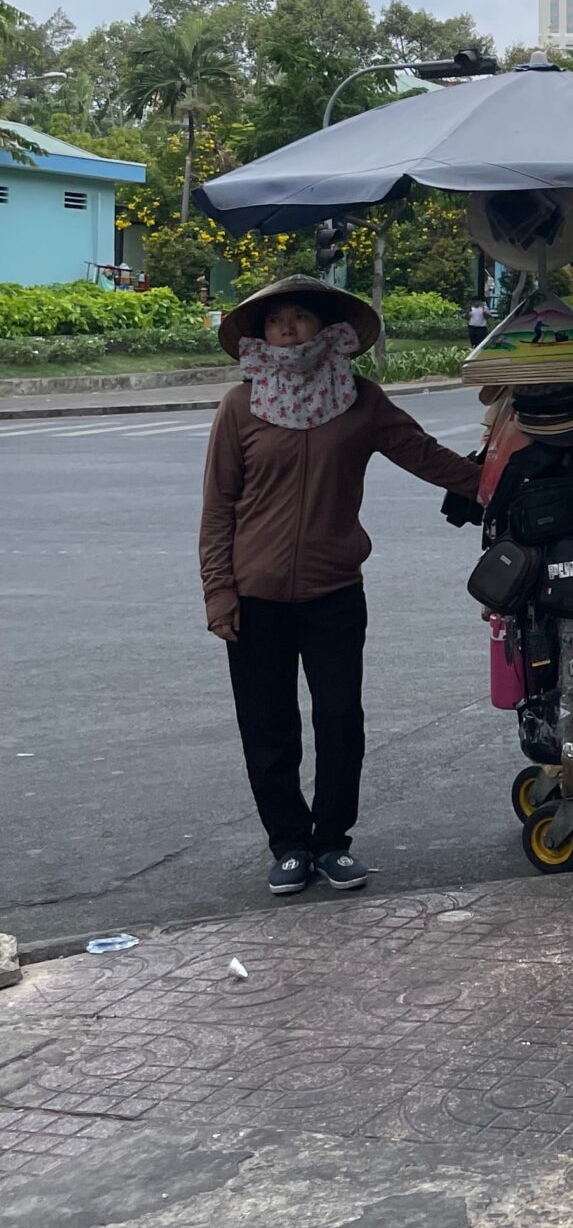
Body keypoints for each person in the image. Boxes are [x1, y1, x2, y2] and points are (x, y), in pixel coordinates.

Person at [200, 276, 484, 899]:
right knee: (267, 725)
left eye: (300, 318)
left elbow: (423, 453)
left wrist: (496, 481)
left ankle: (331, 841)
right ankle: (289, 846)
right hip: (255, 596)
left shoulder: (359, 400)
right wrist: (218, 593)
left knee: (339, 720)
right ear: (260, 334)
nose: (288, 329)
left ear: (328, 330)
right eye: (276, 321)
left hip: (334, 590)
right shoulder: (239, 407)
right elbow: (218, 507)